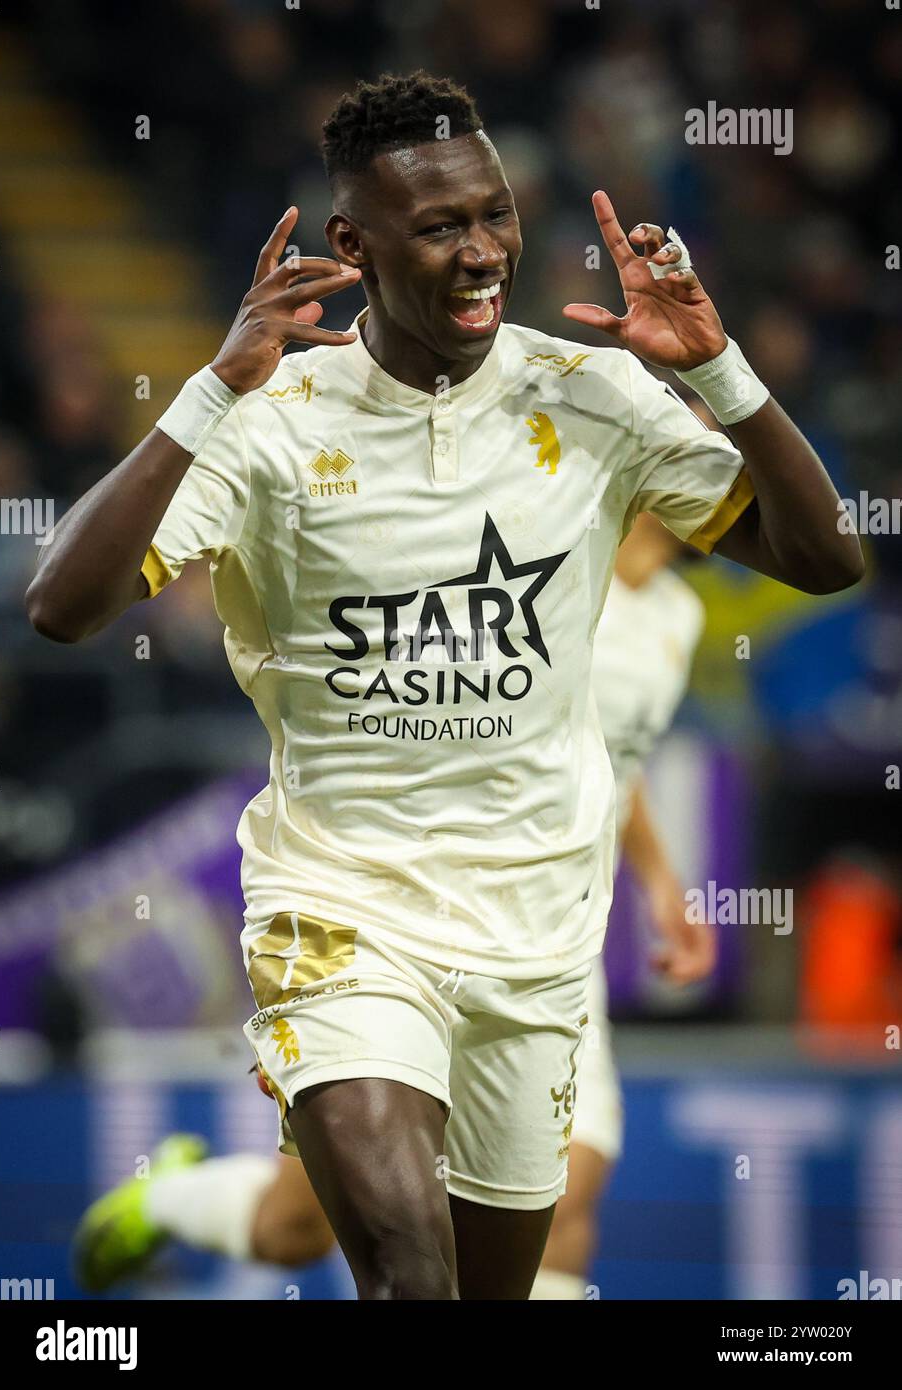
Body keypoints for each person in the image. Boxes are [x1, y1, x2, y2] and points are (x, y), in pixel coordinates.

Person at [30, 71, 862, 1300]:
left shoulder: (592, 396)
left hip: (536, 937)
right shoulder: (272, 420)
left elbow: (826, 557)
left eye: (494, 217)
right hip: (344, 911)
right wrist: (210, 393)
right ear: (353, 245)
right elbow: (63, 602)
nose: (481, 253)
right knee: (407, 1275)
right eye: (439, 228)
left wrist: (722, 373)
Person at [71, 512, 713, 1300]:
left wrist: (661, 885)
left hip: (551, 938)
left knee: (568, 1195)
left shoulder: (680, 617)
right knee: (298, 1229)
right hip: (406, 919)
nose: (712, 455)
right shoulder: (540, 556)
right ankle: (166, 1198)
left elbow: (613, 761)